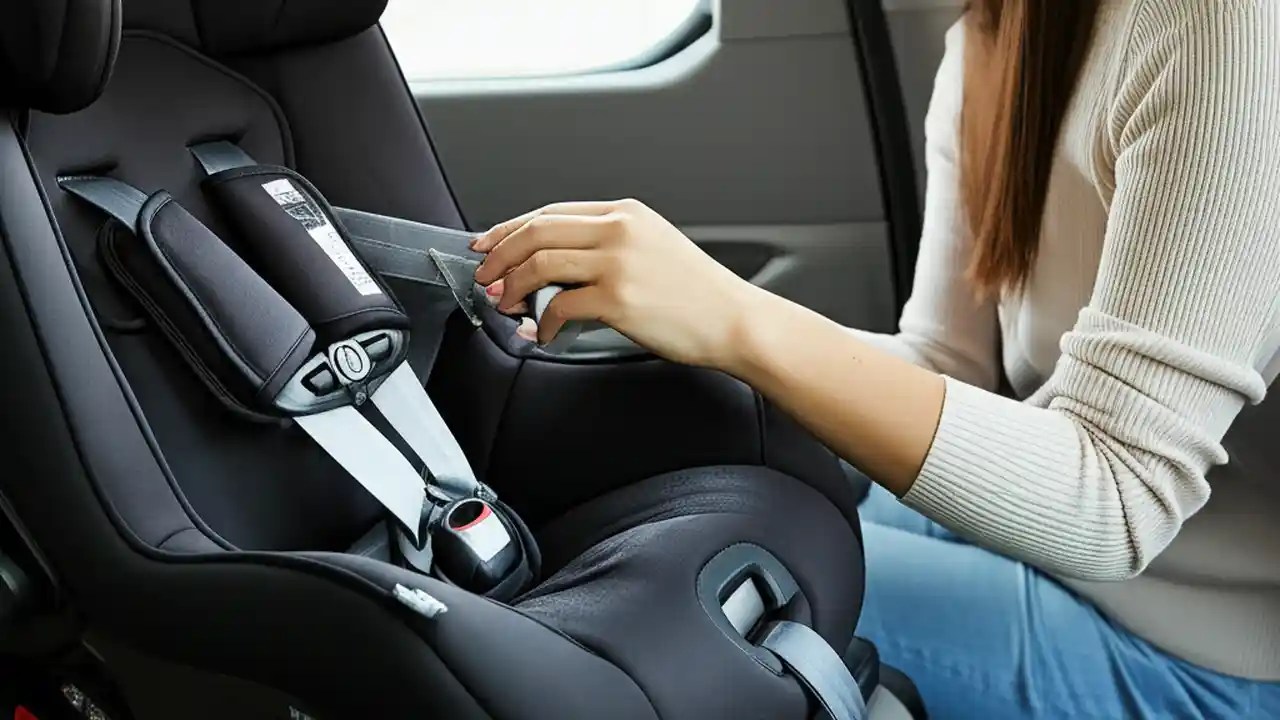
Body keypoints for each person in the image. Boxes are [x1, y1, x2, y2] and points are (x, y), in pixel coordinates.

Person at [468, 0, 1280, 716]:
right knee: (641, 520)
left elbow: (1115, 498)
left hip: (1201, 652)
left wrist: (733, 319)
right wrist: (678, 328)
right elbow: (946, 365)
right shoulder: (1001, 29)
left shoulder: (1228, 28)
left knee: (664, 598)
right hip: (1059, 544)